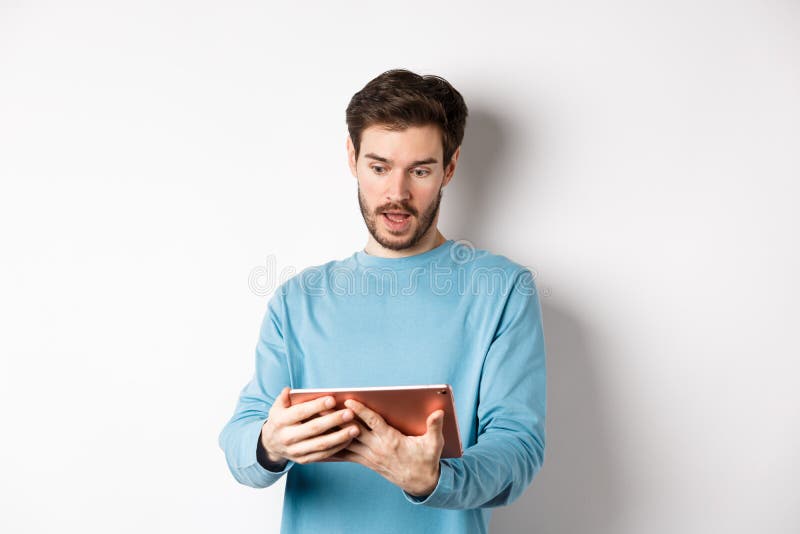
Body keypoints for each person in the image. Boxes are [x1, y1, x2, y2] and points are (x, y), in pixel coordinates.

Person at [218, 68, 546, 534]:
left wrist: (434, 478)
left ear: (450, 167)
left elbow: (518, 446)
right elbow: (240, 440)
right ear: (352, 158)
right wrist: (268, 443)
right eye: (379, 167)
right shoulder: (298, 300)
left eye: (420, 170)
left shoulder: (502, 290)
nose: (397, 194)